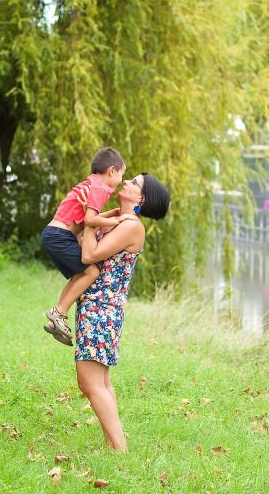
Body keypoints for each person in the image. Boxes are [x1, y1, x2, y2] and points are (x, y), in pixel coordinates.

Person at [74, 172, 170, 451]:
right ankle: (112, 444)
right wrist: (93, 217)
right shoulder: (120, 221)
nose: (126, 182)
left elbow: (89, 255)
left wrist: (91, 218)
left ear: (142, 199)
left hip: (101, 309)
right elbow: (82, 240)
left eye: (134, 183)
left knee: (90, 383)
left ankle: (119, 448)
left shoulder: (131, 226)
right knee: (100, 382)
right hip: (97, 306)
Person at [40, 147, 136, 346]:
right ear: (111, 171)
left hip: (54, 235)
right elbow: (91, 220)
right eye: (121, 174)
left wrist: (113, 213)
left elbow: (87, 217)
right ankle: (59, 313)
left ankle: (57, 317)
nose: (121, 181)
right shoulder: (101, 189)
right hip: (61, 237)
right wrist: (117, 221)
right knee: (92, 271)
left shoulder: (92, 184)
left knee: (80, 274)